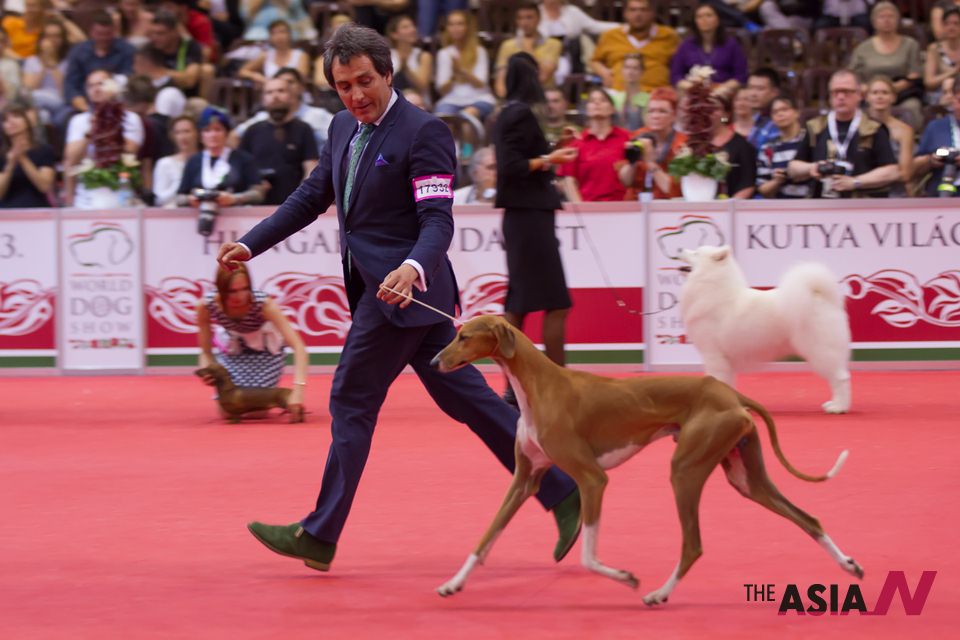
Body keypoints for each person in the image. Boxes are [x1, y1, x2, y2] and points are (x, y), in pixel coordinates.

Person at [215, 24, 581, 571]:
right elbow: (310, 197)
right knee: (471, 402)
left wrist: (412, 268)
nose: (356, 94)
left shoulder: (425, 131)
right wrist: (250, 244)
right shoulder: (340, 128)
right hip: (385, 293)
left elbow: (437, 220)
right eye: (343, 85)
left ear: (388, 73)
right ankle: (562, 489)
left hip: (402, 297)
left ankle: (319, 534)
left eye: (365, 80)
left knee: (350, 400)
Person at [493, 52, 578, 399]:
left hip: (524, 217)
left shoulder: (509, 112)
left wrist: (554, 148)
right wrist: (550, 158)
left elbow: (517, 158)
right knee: (555, 302)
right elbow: (511, 165)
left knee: (520, 303)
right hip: (529, 217)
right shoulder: (520, 112)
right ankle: (559, 386)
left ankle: (514, 386)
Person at [196, 263, 308, 418]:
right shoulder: (207, 306)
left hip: (266, 354)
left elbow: (299, 347)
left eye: (245, 288)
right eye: (232, 291)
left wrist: (298, 390)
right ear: (221, 289)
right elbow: (205, 351)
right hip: (234, 352)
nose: (239, 296)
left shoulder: (263, 304)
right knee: (227, 411)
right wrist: (206, 370)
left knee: (257, 412)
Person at [788, 69, 900, 198]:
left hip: (862, 206)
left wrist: (856, 182)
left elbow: (892, 171)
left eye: (847, 92)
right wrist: (811, 167)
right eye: (836, 92)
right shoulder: (816, 127)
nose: (841, 97)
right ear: (830, 96)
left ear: (859, 95)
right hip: (822, 205)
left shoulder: (873, 128)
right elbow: (793, 168)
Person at [63, 69, 144, 207]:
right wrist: (92, 129)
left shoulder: (131, 119)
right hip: (85, 198)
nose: (96, 89)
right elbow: (71, 159)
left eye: (100, 83)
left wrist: (110, 124)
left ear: (114, 86)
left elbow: (129, 152)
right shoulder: (78, 121)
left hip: (121, 192)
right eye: (90, 86)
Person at [238, 77, 319, 204]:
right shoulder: (252, 131)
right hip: (256, 205)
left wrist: (303, 197)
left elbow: (311, 168)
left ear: (292, 97)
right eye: (269, 92)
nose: (275, 96)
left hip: (293, 206)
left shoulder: (304, 129)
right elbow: (240, 168)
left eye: (281, 91)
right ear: (263, 99)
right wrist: (255, 183)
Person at [849, 2, 923, 130]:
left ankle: (910, 140)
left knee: (913, 107)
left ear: (898, 20)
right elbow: (853, 77)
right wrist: (870, 90)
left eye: (891, 16)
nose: (887, 20)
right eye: (882, 17)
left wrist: (890, 89)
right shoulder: (862, 48)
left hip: (901, 93)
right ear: (874, 21)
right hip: (869, 95)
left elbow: (914, 74)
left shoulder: (910, 44)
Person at [176, 107, 265, 206]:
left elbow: (258, 193)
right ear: (201, 135)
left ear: (226, 133)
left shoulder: (243, 159)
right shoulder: (194, 161)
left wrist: (235, 198)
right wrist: (190, 199)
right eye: (207, 130)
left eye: (218, 130)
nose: (213, 135)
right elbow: (180, 197)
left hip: (236, 215)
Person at [557, 87, 631, 202]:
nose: (597, 103)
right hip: (588, 208)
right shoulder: (576, 143)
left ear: (612, 109)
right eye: (592, 101)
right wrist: (581, 210)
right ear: (587, 109)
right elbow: (569, 181)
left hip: (622, 207)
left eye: (603, 100)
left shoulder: (626, 138)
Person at [591, 0, 679, 92]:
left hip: (656, 96)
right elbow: (595, 61)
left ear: (652, 13)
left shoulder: (669, 36)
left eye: (643, 10)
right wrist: (604, 73)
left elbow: (681, 66)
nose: (638, 14)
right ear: (625, 13)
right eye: (633, 10)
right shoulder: (610, 36)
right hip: (619, 94)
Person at [618, 86, 687, 199]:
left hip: (668, 207)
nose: (655, 116)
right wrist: (632, 162)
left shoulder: (683, 145)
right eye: (651, 111)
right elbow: (625, 182)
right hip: (636, 204)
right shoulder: (635, 137)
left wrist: (650, 162)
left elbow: (673, 191)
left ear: (674, 116)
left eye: (662, 111)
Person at [63, 10, 135, 115]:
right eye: (99, 34)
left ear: (114, 32)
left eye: (107, 34)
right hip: (83, 102)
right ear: (91, 32)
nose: (103, 38)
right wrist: (81, 105)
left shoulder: (127, 50)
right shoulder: (78, 51)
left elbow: (128, 79)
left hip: (116, 101)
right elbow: (71, 84)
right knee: (62, 118)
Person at [670, 2, 747, 93]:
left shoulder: (731, 44)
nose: (704, 19)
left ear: (718, 20)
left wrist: (720, 88)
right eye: (699, 16)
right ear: (695, 21)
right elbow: (676, 76)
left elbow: (740, 76)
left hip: (723, 91)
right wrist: (692, 88)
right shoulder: (686, 45)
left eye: (709, 15)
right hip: (693, 91)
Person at [434, 10, 496, 123]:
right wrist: (453, 76)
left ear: (467, 27)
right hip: (451, 100)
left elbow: (481, 83)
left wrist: (461, 71)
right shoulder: (444, 53)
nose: (455, 28)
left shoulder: (480, 51)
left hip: (479, 98)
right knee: (442, 118)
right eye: (451, 24)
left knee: (466, 118)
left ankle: (469, 142)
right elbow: (441, 89)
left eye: (459, 24)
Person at [495, 2, 563, 97]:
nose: (524, 22)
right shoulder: (507, 46)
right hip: (514, 97)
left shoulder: (553, 44)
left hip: (542, 96)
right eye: (520, 18)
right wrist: (507, 100)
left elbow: (543, 77)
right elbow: (500, 80)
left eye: (529, 17)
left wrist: (528, 48)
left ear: (539, 19)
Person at [538, 0, 619, 74]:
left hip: (570, 56)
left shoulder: (572, 12)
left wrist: (622, 26)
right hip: (543, 56)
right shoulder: (536, 12)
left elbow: (596, 26)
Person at [865, 75, 913, 197]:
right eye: (875, 93)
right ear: (867, 98)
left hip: (893, 191)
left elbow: (905, 174)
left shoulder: (905, 130)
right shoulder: (856, 126)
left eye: (885, 93)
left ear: (893, 97)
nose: (879, 96)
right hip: (861, 189)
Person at [911, 78, 960, 197]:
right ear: (953, 100)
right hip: (943, 191)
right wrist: (930, 160)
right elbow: (914, 169)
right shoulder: (935, 127)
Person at [0, 106, 55, 208]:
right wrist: (10, 164)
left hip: (37, 210)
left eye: (16, 116)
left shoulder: (44, 150)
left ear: (27, 121)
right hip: (6, 212)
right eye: (5, 120)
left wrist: (23, 159)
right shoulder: (2, 155)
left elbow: (44, 186)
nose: (11, 121)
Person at [755, 95, 809, 198]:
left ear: (796, 112)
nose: (780, 114)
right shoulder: (767, 148)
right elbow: (762, 189)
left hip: (812, 206)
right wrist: (777, 181)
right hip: (781, 208)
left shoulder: (811, 141)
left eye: (784, 109)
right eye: (775, 112)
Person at [21, 20, 72, 128]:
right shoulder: (32, 61)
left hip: (59, 101)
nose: (52, 40)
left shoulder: (68, 62)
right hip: (38, 103)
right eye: (48, 36)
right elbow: (29, 87)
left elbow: (64, 92)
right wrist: (44, 65)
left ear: (63, 39)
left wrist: (52, 64)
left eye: (57, 36)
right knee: (43, 116)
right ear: (41, 39)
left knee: (28, 97)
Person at [710, 90, 757, 199]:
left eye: (715, 108)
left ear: (726, 113)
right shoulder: (697, 144)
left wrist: (729, 207)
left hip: (733, 208)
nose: (710, 112)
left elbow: (748, 183)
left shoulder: (742, 146)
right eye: (706, 108)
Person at [238, 20, 310, 86]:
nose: (279, 36)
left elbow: (301, 78)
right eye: (274, 33)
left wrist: (277, 83)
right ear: (270, 38)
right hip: (271, 94)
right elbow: (242, 71)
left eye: (282, 32)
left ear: (290, 34)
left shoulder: (301, 55)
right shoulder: (266, 55)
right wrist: (256, 76)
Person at [386, 14, 433, 107]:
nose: (413, 30)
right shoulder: (386, 55)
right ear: (394, 34)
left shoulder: (423, 56)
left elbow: (422, 86)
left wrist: (406, 68)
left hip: (420, 103)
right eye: (405, 27)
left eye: (413, 26)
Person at [153, 114, 199, 206]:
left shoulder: (206, 160)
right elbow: (160, 198)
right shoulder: (165, 163)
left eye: (187, 131)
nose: (183, 137)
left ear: (197, 133)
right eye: (178, 132)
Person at [924, 7, 960, 107]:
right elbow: (929, 82)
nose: (951, 27)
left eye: (956, 23)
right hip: (940, 94)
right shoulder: (934, 48)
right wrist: (953, 72)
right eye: (947, 24)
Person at [609, 53, 649, 130]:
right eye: (627, 67)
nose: (630, 72)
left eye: (635, 68)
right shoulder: (614, 98)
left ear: (642, 72)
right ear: (622, 71)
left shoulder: (648, 99)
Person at [745, 67, 782, 152]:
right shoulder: (756, 118)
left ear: (775, 93)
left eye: (760, 89)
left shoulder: (780, 121)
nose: (753, 94)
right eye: (750, 88)